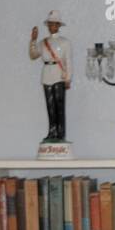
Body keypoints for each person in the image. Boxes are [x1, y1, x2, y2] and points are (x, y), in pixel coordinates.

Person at [29, 10, 71, 142]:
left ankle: (61, 133)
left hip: (59, 75)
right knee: (50, 106)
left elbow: (68, 61)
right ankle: (52, 132)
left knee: (60, 106)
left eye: (54, 24)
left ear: (58, 25)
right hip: (47, 73)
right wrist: (33, 40)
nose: (52, 26)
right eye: (50, 24)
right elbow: (33, 55)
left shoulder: (65, 42)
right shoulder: (43, 42)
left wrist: (68, 78)